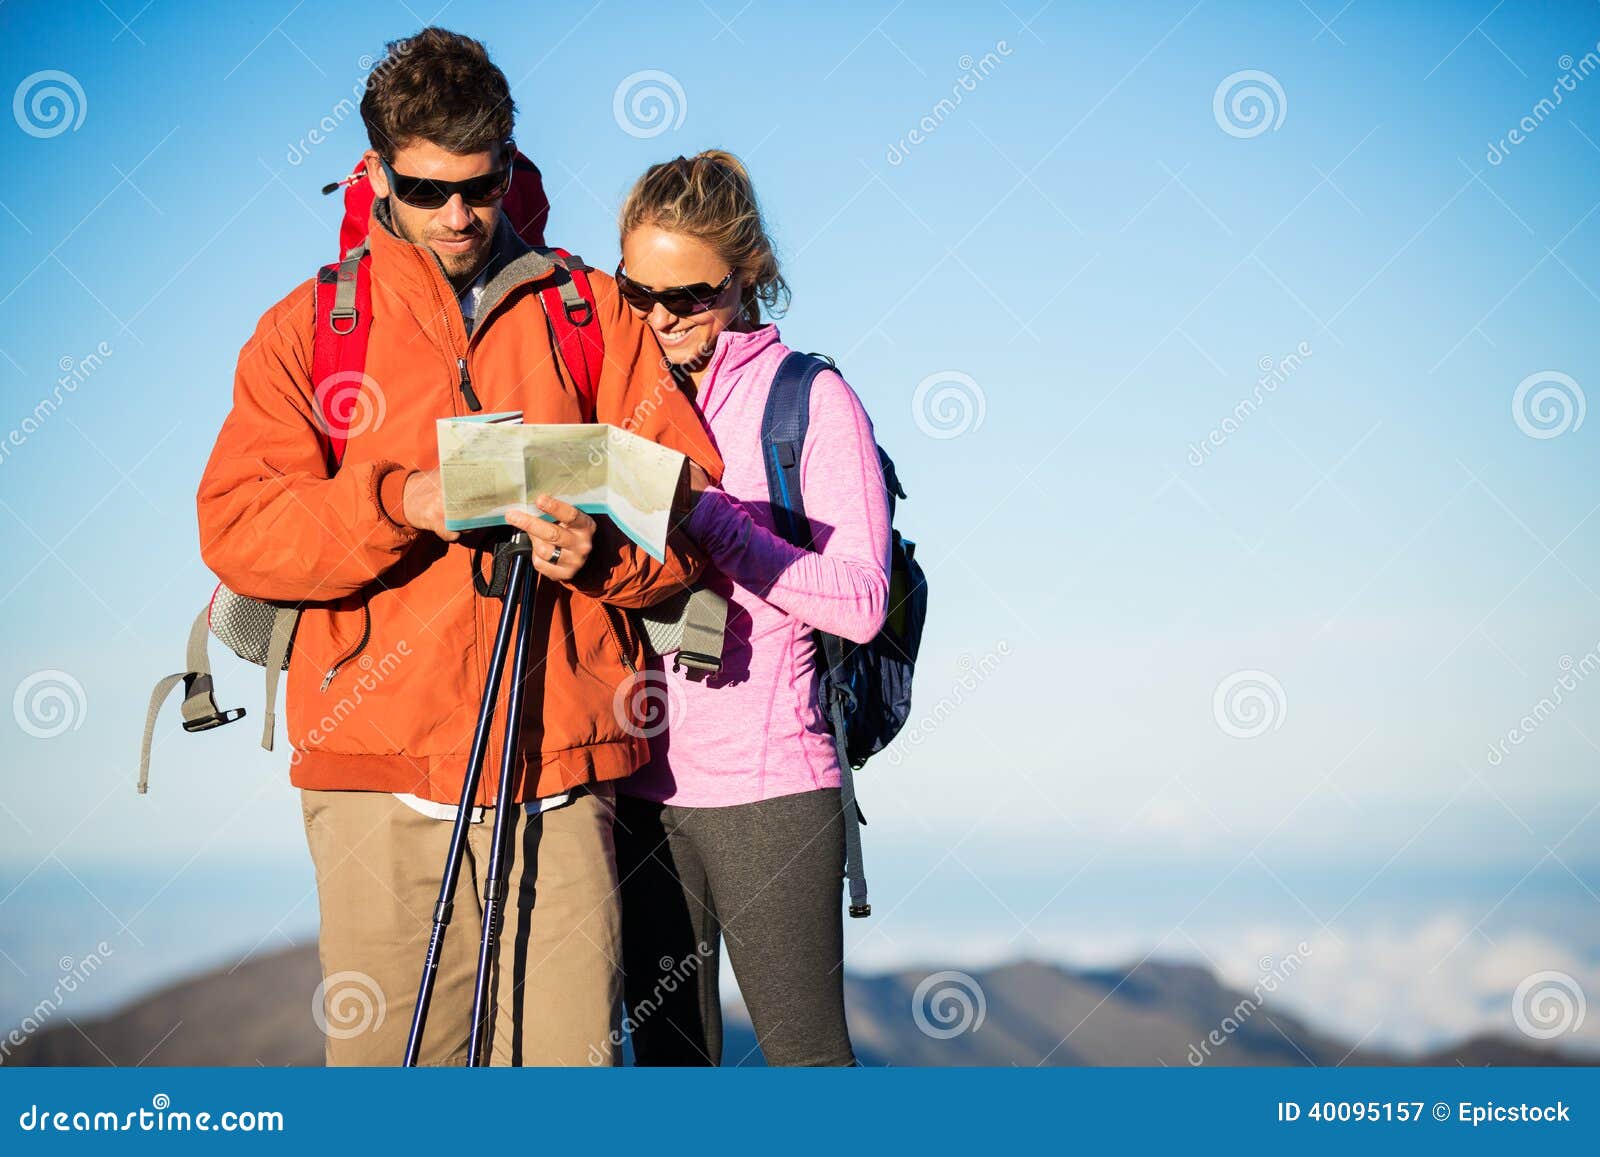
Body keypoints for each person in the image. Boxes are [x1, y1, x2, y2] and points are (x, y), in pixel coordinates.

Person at [195, 28, 721, 1066]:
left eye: (479, 187)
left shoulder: (589, 314)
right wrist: (402, 499)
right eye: (426, 189)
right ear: (378, 170)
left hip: (560, 768)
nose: (458, 215)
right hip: (374, 771)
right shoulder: (311, 329)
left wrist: (602, 556)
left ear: (509, 161)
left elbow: (687, 506)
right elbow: (240, 526)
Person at [612, 151, 891, 1066]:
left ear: (746, 275)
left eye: (689, 297)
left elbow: (861, 600)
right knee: (669, 1069)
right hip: (635, 787)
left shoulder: (810, 400)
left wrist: (716, 521)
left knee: (808, 1062)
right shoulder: (622, 398)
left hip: (769, 789)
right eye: (637, 293)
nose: (660, 319)